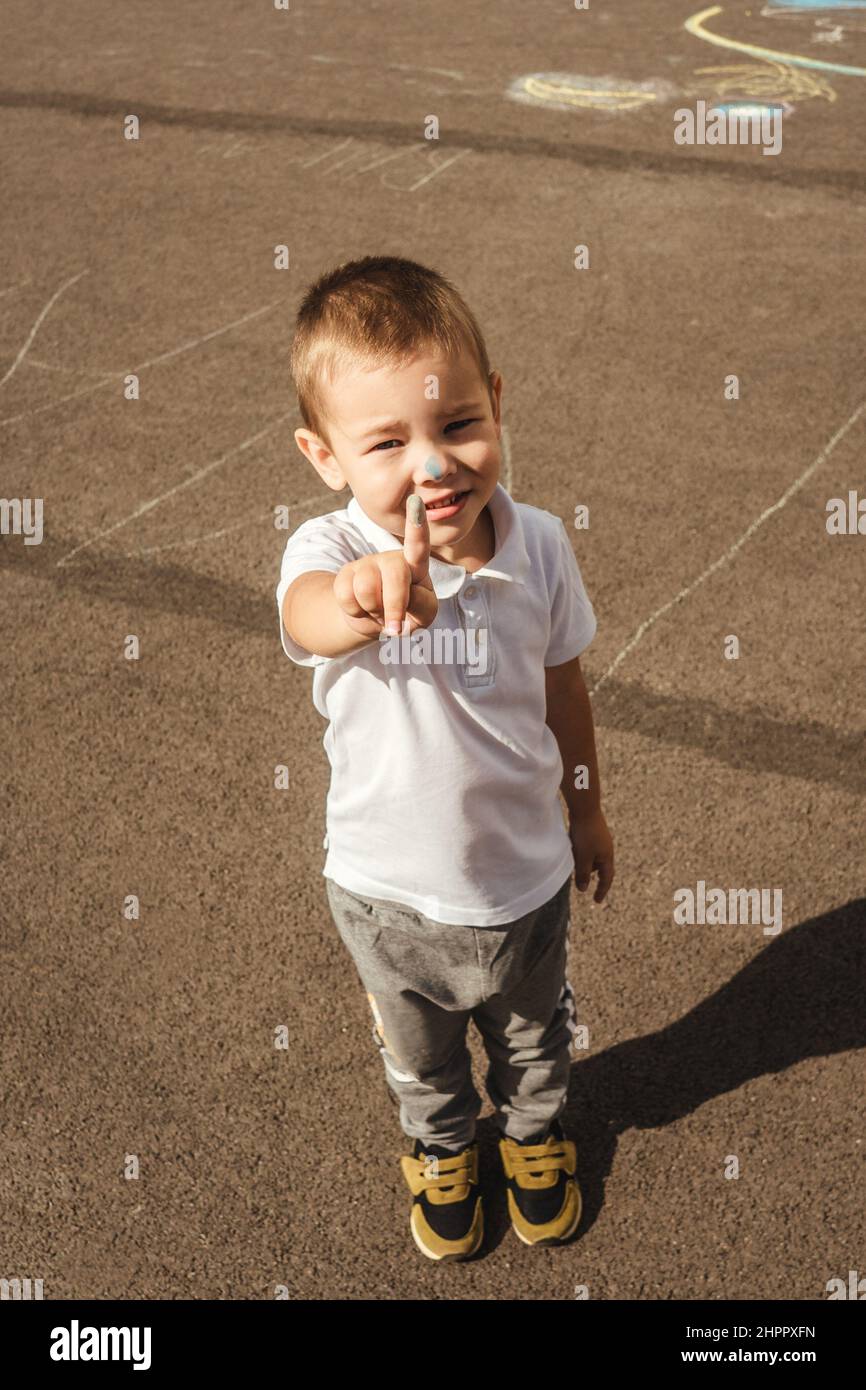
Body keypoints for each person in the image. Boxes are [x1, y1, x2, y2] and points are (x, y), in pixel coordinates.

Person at [275, 254, 614, 1261]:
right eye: (386, 442)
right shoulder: (328, 556)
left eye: (457, 423)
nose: (433, 465)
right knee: (421, 1062)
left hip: (523, 883)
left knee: (534, 1041)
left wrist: (586, 808)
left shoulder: (541, 546)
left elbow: (564, 686)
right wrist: (363, 598)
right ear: (323, 453)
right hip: (385, 896)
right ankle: (439, 1146)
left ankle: (533, 1134)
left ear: (496, 404)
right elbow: (304, 618)